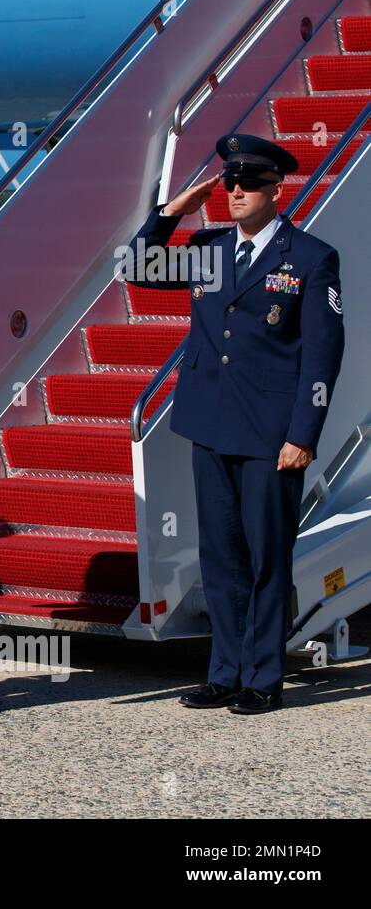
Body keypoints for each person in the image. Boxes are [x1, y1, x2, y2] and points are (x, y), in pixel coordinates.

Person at [126, 133, 344, 715]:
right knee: (220, 556)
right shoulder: (208, 248)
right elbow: (137, 269)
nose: (237, 191)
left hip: (273, 434)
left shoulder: (310, 257)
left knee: (267, 557)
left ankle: (264, 678)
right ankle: (225, 671)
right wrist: (171, 212)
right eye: (229, 182)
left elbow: (323, 355)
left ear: (278, 188)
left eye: (249, 183)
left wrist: (304, 434)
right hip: (211, 423)